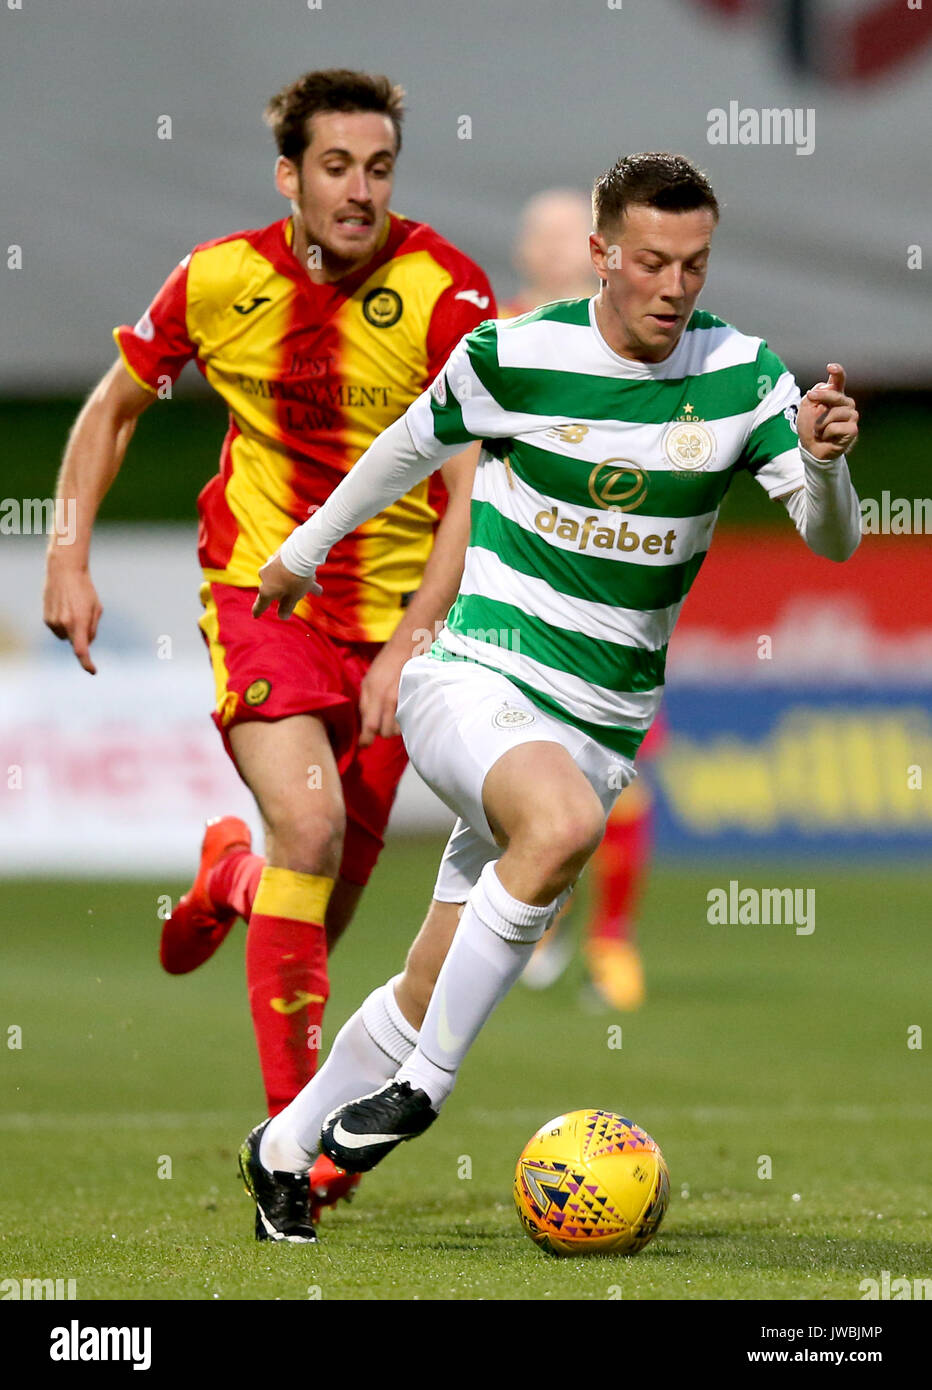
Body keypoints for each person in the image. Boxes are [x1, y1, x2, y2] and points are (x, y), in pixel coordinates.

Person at [238, 151, 861, 1242]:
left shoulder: (743, 375)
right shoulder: (515, 353)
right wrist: (301, 553)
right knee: (565, 826)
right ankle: (423, 1090)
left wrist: (823, 465)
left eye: (695, 264)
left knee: (431, 976)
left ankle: (284, 1146)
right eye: (652, 262)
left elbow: (833, 541)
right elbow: (402, 449)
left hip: (598, 725)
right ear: (602, 254)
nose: (674, 287)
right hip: (474, 674)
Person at [42, 67, 495, 1232]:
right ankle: (285, 1151)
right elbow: (111, 408)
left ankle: (226, 877)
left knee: (315, 904)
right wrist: (67, 552)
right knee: (311, 827)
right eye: (335, 167)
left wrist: (410, 640)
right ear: (287, 174)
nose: (359, 191)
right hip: (266, 596)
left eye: (378, 168)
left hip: (399, 632)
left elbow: (469, 493)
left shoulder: (446, 290)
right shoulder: (216, 279)